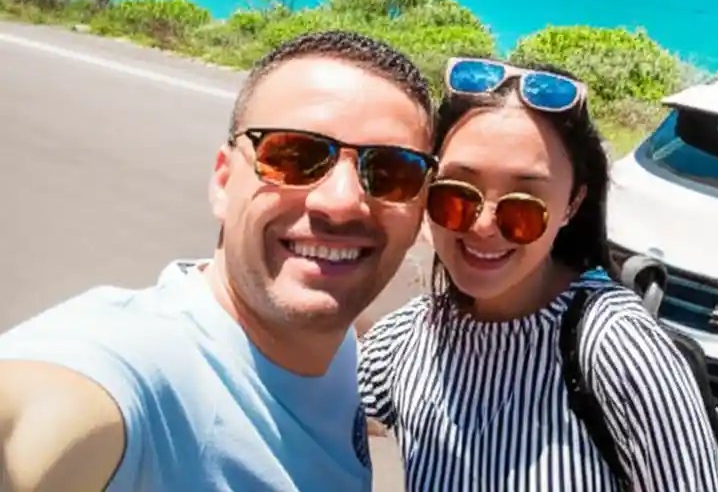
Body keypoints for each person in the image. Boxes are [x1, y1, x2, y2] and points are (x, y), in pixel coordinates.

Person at [0, 30, 438, 491]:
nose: (342, 201)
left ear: (421, 216)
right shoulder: (132, 369)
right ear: (224, 183)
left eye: (392, 172)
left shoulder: (342, 352)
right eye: (293, 155)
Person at [356, 56, 718, 491]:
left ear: (572, 204)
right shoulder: (409, 340)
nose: (483, 226)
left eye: (524, 206)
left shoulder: (615, 346)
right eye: (456, 195)